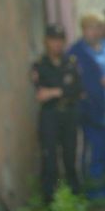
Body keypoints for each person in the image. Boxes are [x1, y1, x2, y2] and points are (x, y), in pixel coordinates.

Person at [69, 12, 105, 199]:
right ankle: (95, 194)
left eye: (98, 28)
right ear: (83, 30)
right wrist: (99, 85)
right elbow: (76, 83)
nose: (95, 32)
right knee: (96, 153)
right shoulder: (76, 53)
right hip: (93, 112)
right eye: (90, 28)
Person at [30, 24, 81, 201]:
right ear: (46, 42)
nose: (57, 44)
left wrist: (54, 92)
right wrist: (62, 90)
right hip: (50, 115)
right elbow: (40, 94)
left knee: (70, 156)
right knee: (49, 158)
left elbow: (78, 90)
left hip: (69, 114)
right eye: (53, 40)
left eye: (60, 41)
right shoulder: (40, 65)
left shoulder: (71, 62)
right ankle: (49, 200)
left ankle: (75, 197)